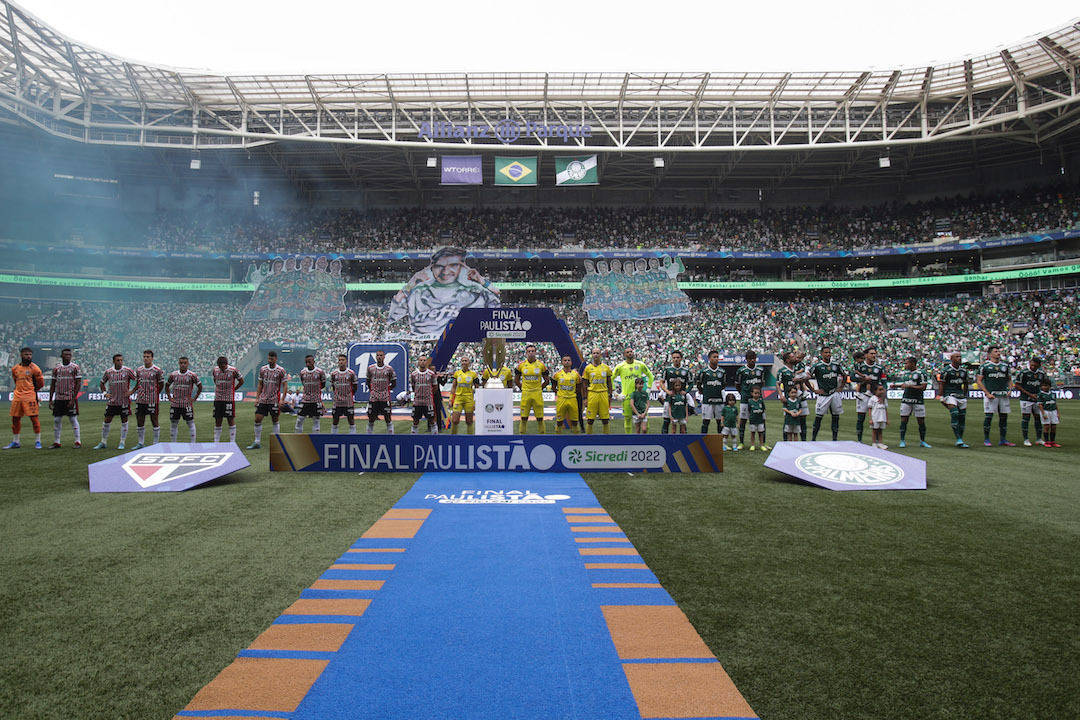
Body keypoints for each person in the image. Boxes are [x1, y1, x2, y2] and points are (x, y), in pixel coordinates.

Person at [94, 353, 136, 449]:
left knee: (124, 421)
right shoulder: (109, 372)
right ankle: (103, 442)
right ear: (113, 361)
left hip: (124, 401)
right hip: (112, 402)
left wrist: (132, 391)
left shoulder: (128, 371)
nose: (120, 362)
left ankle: (122, 442)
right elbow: (102, 383)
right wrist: (105, 393)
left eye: (121, 360)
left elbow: (138, 380)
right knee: (107, 421)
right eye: (118, 360)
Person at [6, 347, 44, 449]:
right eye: (26, 354)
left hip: (30, 397)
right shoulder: (15, 369)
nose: (28, 356)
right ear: (21, 355)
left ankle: (38, 441)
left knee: (34, 419)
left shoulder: (35, 369)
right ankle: (16, 441)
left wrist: (31, 391)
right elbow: (15, 380)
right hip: (17, 397)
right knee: (15, 419)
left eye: (30, 354)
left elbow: (41, 383)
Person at [248, 350, 287, 449]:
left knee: (275, 420)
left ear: (276, 359)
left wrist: (282, 399)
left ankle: (276, 442)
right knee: (257, 419)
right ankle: (257, 442)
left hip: (274, 400)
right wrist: (257, 398)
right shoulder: (263, 369)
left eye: (272, 359)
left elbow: (285, 385)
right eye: (269, 358)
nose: (270, 360)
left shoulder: (281, 370)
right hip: (263, 399)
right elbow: (260, 384)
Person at [977, 345, 1014, 447]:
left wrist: (1010, 390)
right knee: (989, 416)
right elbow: (979, 381)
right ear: (990, 354)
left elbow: (1009, 379)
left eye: (999, 351)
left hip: (1003, 395)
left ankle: (1003, 439)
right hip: (991, 395)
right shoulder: (985, 366)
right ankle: (986, 439)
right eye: (996, 351)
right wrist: (987, 393)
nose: (998, 353)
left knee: (1003, 417)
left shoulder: (1005, 366)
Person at [891, 356, 931, 448]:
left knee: (921, 421)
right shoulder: (905, 374)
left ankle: (922, 441)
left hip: (918, 400)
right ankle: (902, 440)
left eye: (907, 363)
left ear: (913, 364)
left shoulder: (921, 373)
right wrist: (896, 386)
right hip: (906, 399)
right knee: (904, 420)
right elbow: (906, 384)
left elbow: (923, 387)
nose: (905, 365)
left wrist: (910, 387)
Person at [612, 348, 653, 435]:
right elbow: (611, 378)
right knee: (627, 418)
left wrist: (648, 388)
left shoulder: (640, 364)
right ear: (624, 354)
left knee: (645, 418)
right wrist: (615, 393)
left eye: (631, 351)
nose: (630, 353)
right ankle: (629, 439)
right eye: (627, 352)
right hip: (627, 397)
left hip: (639, 397)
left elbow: (650, 376)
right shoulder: (620, 366)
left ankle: (647, 440)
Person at [810, 346, 846, 441]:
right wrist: (813, 390)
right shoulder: (817, 366)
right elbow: (806, 377)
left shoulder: (836, 365)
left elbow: (844, 375)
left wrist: (841, 387)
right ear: (821, 354)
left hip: (834, 394)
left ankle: (835, 439)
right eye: (826, 352)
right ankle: (813, 439)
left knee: (835, 417)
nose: (828, 354)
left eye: (829, 352)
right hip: (823, 395)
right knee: (818, 417)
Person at [936, 352, 971, 448]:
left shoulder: (963, 371)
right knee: (955, 414)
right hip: (950, 395)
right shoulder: (946, 371)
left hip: (961, 396)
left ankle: (960, 439)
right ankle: (959, 439)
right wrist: (940, 395)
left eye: (960, 357)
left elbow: (966, 384)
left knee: (962, 418)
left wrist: (965, 395)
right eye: (957, 357)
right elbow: (942, 384)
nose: (959, 358)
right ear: (951, 358)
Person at [48, 348, 82, 448]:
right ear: (61, 356)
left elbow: (78, 384)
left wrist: (73, 398)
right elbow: (53, 384)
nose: (68, 356)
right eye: (65, 355)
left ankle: (77, 441)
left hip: (70, 397)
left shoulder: (75, 367)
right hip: (59, 398)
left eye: (69, 355)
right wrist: (51, 399)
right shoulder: (57, 369)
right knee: (57, 420)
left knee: (73, 419)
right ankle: (57, 442)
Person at [853, 346, 887, 444]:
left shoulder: (879, 368)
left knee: (877, 419)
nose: (873, 355)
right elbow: (852, 377)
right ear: (866, 355)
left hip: (875, 396)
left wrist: (883, 395)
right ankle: (859, 440)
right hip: (863, 395)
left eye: (874, 353)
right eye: (871, 353)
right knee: (861, 418)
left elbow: (884, 382)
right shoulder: (860, 366)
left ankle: (877, 442)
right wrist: (863, 379)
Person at [132, 349, 165, 449]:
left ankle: (155, 443)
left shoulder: (157, 370)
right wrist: (133, 391)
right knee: (140, 420)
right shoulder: (139, 370)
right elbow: (138, 383)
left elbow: (161, 384)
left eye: (148, 357)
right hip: (141, 400)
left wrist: (155, 393)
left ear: (152, 358)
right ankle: (140, 443)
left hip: (152, 400)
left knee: (154, 420)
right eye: (144, 357)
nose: (146, 358)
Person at [1014, 357, 1049, 446]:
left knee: (1038, 418)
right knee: (1026, 419)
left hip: (1037, 399)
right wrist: (1029, 394)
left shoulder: (1041, 373)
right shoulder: (1024, 373)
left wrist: (1040, 394)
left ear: (1039, 365)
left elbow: (1044, 385)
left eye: (1035, 365)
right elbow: (1017, 385)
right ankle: (1026, 439)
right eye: (1031, 364)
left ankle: (1038, 438)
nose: (1033, 366)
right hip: (1026, 399)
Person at [165, 356, 201, 442]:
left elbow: (200, 386)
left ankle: (193, 444)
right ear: (179, 363)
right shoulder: (173, 375)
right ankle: (173, 444)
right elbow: (166, 385)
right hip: (175, 404)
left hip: (187, 404)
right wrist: (169, 397)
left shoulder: (192, 375)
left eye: (185, 363)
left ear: (188, 364)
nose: (183, 365)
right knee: (174, 424)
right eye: (181, 363)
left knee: (190, 423)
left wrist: (195, 398)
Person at [515, 344, 549, 434]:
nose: (531, 353)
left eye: (533, 351)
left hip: (537, 394)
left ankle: (542, 437)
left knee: (540, 418)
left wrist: (539, 388)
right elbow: (516, 380)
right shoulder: (521, 365)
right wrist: (522, 388)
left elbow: (547, 381)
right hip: (526, 393)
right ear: (526, 353)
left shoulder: (541, 365)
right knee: (523, 418)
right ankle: (521, 437)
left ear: (535, 352)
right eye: (529, 351)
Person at [735, 350, 766, 449]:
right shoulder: (741, 371)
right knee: (743, 420)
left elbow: (762, 383)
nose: (752, 360)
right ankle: (741, 442)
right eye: (750, 359)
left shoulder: (760, 370)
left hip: (758, 399)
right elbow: (737, 385)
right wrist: (743, 393)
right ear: (746, 359)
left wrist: (757, 393)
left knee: (762, 420)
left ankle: (763, 443)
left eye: (754, 358)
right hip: (745, 399)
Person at [211, 356, 244, 443]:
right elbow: (215, 379)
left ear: (226, 364)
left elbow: (241, 381)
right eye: (220, 366)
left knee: (230, 419)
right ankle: (216, 441)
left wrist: (234, 389)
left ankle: (232, 442)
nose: (222, 368)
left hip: (229, 398)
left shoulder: (233, 370)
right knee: (218, 419)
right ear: (218, 365)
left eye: (224, 366)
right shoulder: (215, 370)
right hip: (218, 398)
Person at [659, 350, 691, 435]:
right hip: (669, 398)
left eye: (677, 357)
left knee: (682, 422)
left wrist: (686, 391)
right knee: (666, 420)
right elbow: (661, 382)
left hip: (681, 399)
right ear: (671, 359)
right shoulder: (667, 369)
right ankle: (664, 440)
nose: (676, 359)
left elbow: (691, 383)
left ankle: (683, 442)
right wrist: (667, 391)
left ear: (681, 359)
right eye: (674, 358)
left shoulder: (686, 370)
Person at [581, 349, 613, 434]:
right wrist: (585, 398)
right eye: (594, 353)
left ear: (600, 355)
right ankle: (589, 438)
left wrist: (610, 394)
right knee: (590, 419)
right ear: (592, 355)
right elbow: (584, 384)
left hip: (603, 394)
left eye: (597, 353)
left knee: (605, 419)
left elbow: (609, 382)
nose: (596, 355)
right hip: (592, 394)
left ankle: (606, 438)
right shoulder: (588, 368)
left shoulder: (606, 368)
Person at [366, 349, 397, 434]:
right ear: (375, 357)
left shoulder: (389, 369)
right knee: (371, 418)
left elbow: (394, 383)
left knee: (387, 418)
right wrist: (373, 391)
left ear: (384, 357)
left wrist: (386, 390)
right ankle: (368, 437)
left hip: (385, 398)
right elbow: (368, 382)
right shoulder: (370, 368)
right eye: (378, 355)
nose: (379, 357)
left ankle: (390, 437)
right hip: (374, 398)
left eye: (381, 355)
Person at [697, 350, 726, 435]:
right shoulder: (704, 372)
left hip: (719, 400)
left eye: (717, 357)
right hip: (707, 400)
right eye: (714, 357)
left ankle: (721, 442)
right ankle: (703, 441)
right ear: (709, 359)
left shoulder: (722, 372)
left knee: (720, 422)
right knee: (706, 422)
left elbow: (723, 385)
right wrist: (704, 392)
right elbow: (699, 384)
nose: (716, 359)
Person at [295, 355, 327, 433]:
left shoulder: (320, 372)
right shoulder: (302, 372)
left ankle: (316, 440)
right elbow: (303, 383)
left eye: (309, 362)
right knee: (299, 420)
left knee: (316, 420)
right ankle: (297, 439)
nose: (308, 364)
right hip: (305, 400)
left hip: (316, 400)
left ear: (314, 362)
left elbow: (323, 385)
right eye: (306, 362)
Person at [409, 356, 439, 435]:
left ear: (427, 362)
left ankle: (435, 439)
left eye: (424, 360)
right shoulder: (413, 374)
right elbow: (413, 387)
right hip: (417, 402)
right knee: (415, 421)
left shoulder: (431, 374)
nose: (422, 362)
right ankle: (414, 439)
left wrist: (428, 394)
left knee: (432, 421)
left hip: (428, 402)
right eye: (421, 360)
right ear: (418, 362)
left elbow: (435, 387)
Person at [450, 356, 480, 434]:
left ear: (469, 363)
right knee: (455, 420)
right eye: (462, 361)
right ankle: (453, 437)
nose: (464, 362)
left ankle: (470, 439)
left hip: (469, 399)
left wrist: (476, 401)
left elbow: (477, 388)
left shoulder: (473, 374)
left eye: (466, 361)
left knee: (469, 421)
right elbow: (453, 387)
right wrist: (451, 399)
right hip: (458, 398)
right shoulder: (457, 373)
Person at [330, 354, 359, 434]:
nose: (341, 362)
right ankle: (334, 438)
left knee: (351, 420)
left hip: (348, 402)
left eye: (343, 360)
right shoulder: (334, 374)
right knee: (335, 420)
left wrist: (349, 395)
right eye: (339, 360)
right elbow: (333, 386)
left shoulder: (351, 373)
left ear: (346, 361)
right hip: (337, 402)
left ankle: (352, 438)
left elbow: (355, 387)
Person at [552, 356, 582, 434]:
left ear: (571, 362)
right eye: (565, 360)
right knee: (559, 421)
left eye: (569, 360)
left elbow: (579, 386)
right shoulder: (557, 374)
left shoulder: (576, 374)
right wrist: (559, 393)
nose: (567, 362)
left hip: (572, 399)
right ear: (562, 362)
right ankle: (558, 436)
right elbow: (553, 386)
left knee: (575, 421)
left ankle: (575, 437)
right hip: (561, 399)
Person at [1035, 379, 1060, 447]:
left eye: (1046, 386)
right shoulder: (1040, 394)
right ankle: (1046, 441)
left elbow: (1055, 403)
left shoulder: (1052, 394)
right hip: (1046, 411)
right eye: (1043, 386)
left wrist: (1058, 413)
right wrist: (1043, 413)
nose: (1044, 387)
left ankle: (1052, 441)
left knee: (1054, 426)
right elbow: (1040, 405)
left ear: (1049, 386)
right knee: (1046, 426)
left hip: (1053, 411)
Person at [745, 386, 768, 451]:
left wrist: (764, 418)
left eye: (758, 393)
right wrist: (749, 418)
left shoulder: (761, 401)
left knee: (761, 433)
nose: (757, 394)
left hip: (760, 420)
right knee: (752, 433)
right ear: (752, 393)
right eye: (755, 393)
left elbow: (763, 409)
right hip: (753, 420)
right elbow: (748, 411)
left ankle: (761, 445)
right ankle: (752, 445)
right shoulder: (750, 401)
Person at [868, 385, 889, 449]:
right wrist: (870, 419)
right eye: (879, 390)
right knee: (874, 431)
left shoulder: (884, 399)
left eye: (882, 390)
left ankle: (880, 443)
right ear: (875, 391)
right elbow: (870, 409)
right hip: (875, 417)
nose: (881, 391)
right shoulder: (872, 398)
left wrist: (887, 419)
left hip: (882, 416)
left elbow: (885, 409)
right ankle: (874, 443)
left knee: (880, 430)